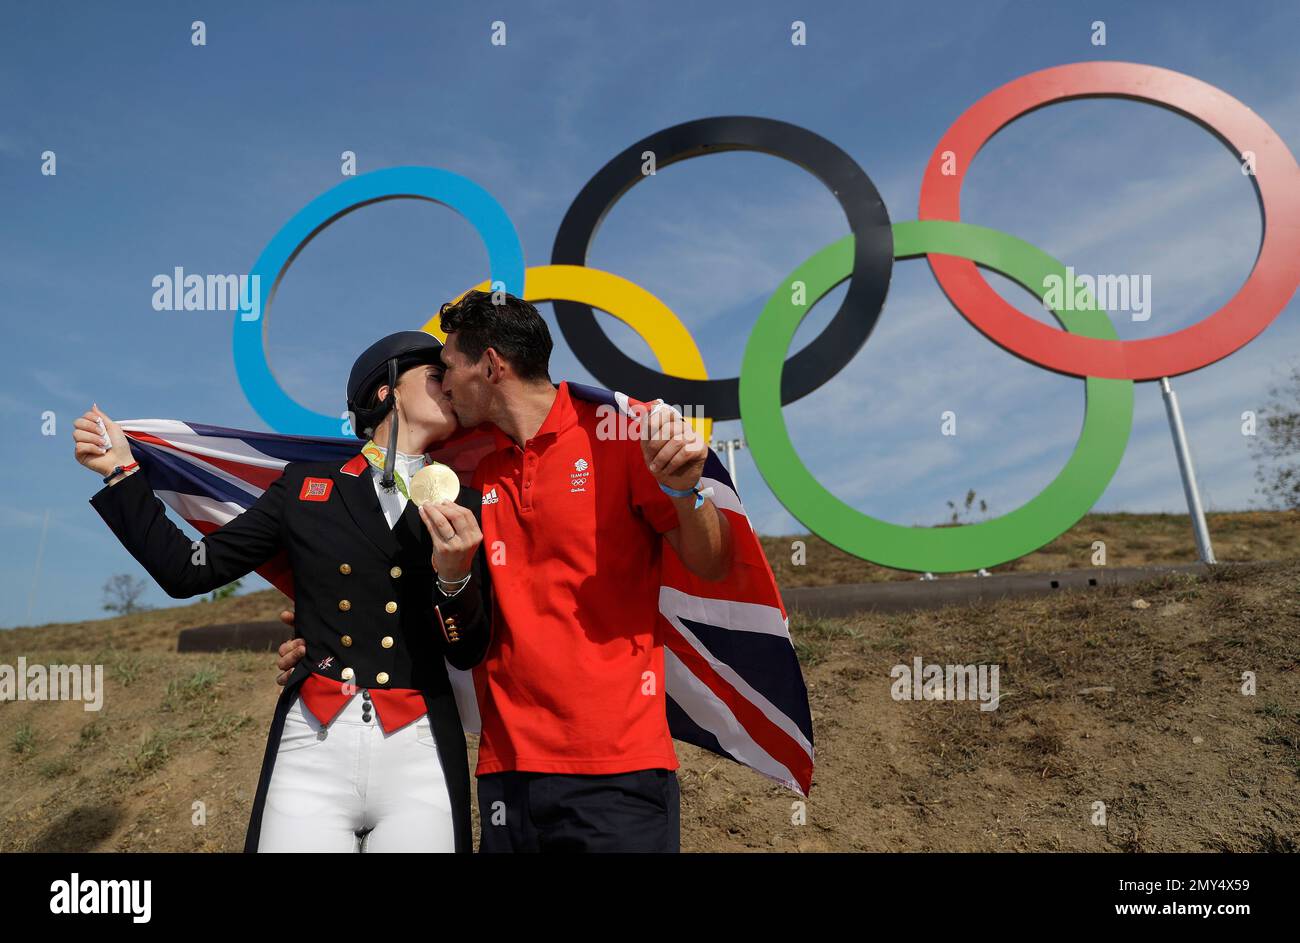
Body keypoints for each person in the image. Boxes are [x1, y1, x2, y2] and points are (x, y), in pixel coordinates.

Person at [280, 290, 733, 852]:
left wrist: (686, 492)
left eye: (448, 368)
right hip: (505, 772)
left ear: (491, 366)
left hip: (616, 769)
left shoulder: (616, 439)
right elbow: (395, 580)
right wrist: (321, 633)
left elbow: (712, 565)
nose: (443, 384)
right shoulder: (466, 479)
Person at [74, 331, 492, 852]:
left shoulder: (470, 501)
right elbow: (187, 571)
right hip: (313, 744)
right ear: (386, 391)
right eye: (435, 376)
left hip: (421, 745)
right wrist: (120, 473)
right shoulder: (302, 488)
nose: (450, 384)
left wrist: (454, 576)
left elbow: (468, 648)